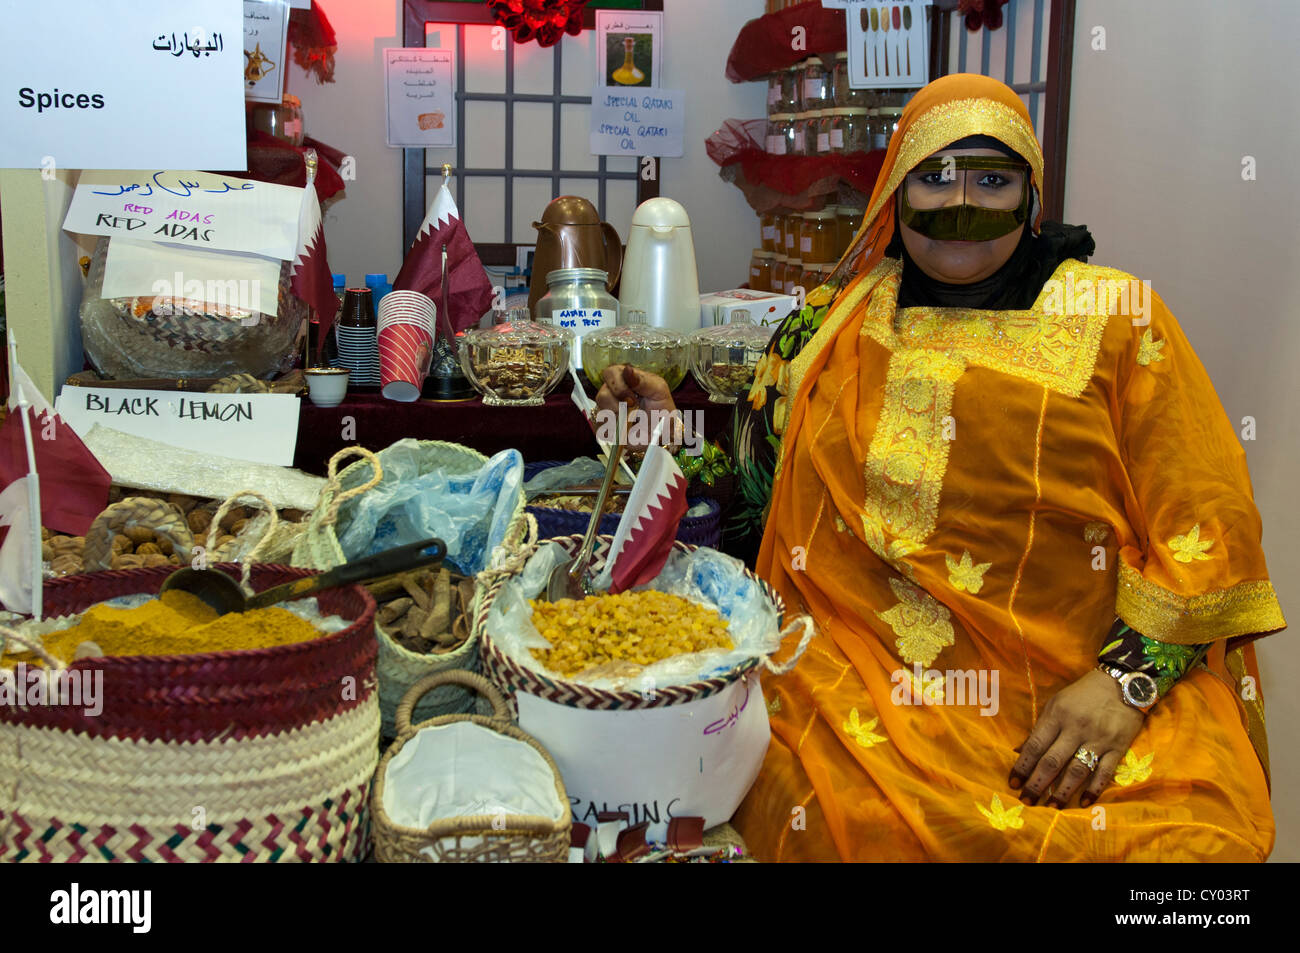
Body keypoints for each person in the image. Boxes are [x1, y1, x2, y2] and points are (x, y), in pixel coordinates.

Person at [596, 74, 1285, 861]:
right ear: (894, 191)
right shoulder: (831, 322)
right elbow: (758, 503)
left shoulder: (1122, 320)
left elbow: (1207, 524)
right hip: (860, 675)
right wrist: (670, 435)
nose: (962, 204)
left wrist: (1125, 685)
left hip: (1081, 676)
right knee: (826, 812)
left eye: (992, 179)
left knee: (1196, 849)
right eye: (933, 177)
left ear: (1031, 194)